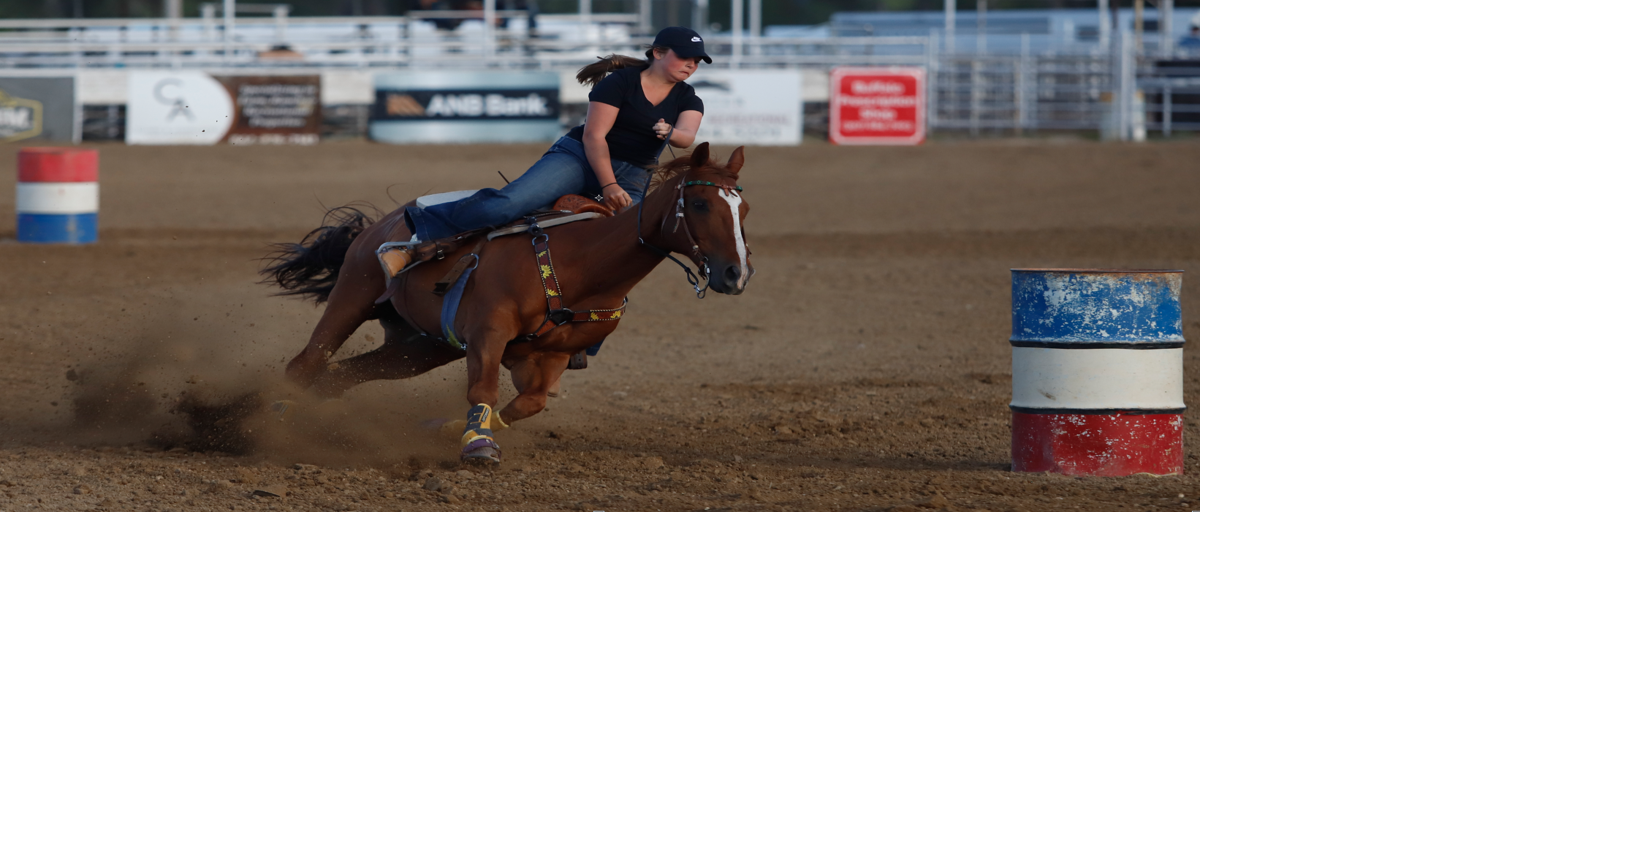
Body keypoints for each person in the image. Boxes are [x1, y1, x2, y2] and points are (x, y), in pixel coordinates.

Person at [381, 26, 711, 278]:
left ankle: (584, 333)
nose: (691, 65)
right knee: (511, 204)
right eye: (684, 57)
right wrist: (609, 186)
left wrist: (671, 132)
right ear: (657, 52)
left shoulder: (688, 97)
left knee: (626, 249)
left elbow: (686, 137)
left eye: (696, 61)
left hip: (636, 174)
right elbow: (595, 137)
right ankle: (416, 241)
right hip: (580, 158)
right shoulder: (620, 83)